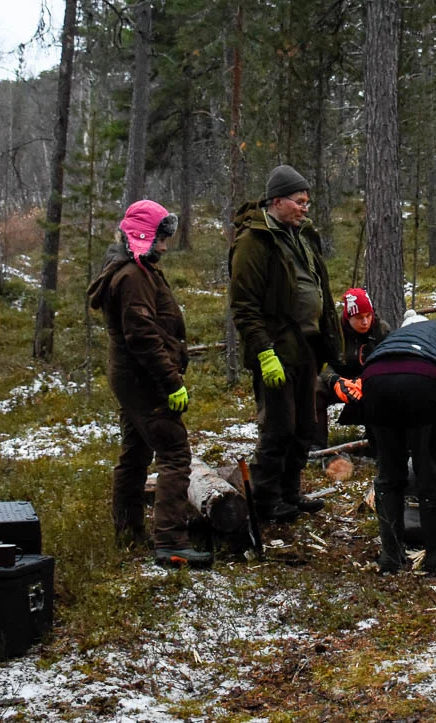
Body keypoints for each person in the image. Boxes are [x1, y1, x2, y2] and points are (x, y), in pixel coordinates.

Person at [86, 200, 209, 568]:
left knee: (135, 454)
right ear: (141, 236)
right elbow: (142, 337)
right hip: (144, 381)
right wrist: (171, 383)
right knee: (174, 453)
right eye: (160, 238)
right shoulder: (133, 276)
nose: (166, 247)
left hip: (132, 379)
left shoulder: (133, 269)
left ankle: (128, 531)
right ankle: (170, 540)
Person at [229, 165, 340, 524]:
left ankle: (290, 494)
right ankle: (264, 502)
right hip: (277, 348)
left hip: (307, 346)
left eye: (307, 201)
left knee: (305, 427)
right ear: (277, 201)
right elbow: (244, 307)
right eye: (299, 201)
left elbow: (318, 286)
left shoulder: (303, 235)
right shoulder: (252, 242)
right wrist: (265, 352)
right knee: (278, 428)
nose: (305, 208)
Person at [362, 318, 436, 574]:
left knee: (388, 476)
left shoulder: (405, 332)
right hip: (421, 379)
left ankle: (391, 556)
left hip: (373, 380)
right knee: (430, 471)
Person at [312, 288, 390, 449]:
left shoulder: (381, 329)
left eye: (368, 316)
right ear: (348, 318)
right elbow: (321, 362)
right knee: (315, 389)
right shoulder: (333, 331)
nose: (365, 322)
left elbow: (388, 360)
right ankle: (318, 446)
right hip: (340, 380)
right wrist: (335, 381)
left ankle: (379, 440)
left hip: (370, 380)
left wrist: (365, 379)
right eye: (359, 318)